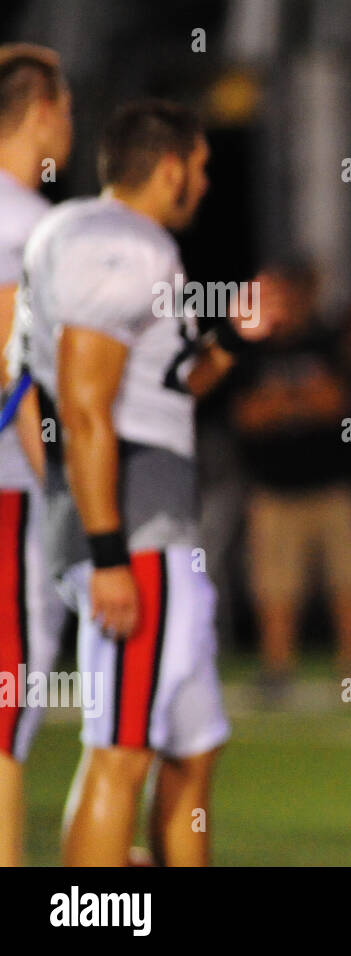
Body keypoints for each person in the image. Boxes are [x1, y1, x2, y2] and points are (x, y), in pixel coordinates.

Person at [15, 99, 274, 866]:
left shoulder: (106, 237)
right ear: (170, 168)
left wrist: (234, 336)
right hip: (132, 532)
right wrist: (108, 552)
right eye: (200, 168)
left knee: (194, 751)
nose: (204, 182)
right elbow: (87, 406)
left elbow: (167, 386)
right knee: (121, 750)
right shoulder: (116, 241)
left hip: (148, 530)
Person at [227, 260, 351, 699]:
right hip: (274, 488)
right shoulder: (251, 348)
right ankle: (277, 672)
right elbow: (247, 416)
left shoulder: (329, 341)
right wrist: (301, 402)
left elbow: (338, 403)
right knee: (275, 587)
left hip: (332, 484)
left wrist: (281, 403)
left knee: (350, 582)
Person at [0, 42, 72, 867]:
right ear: (42, 108)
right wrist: (76, 501)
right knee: (8, 705)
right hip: (10, 492)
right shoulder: (32, 225)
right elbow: (18, 375)